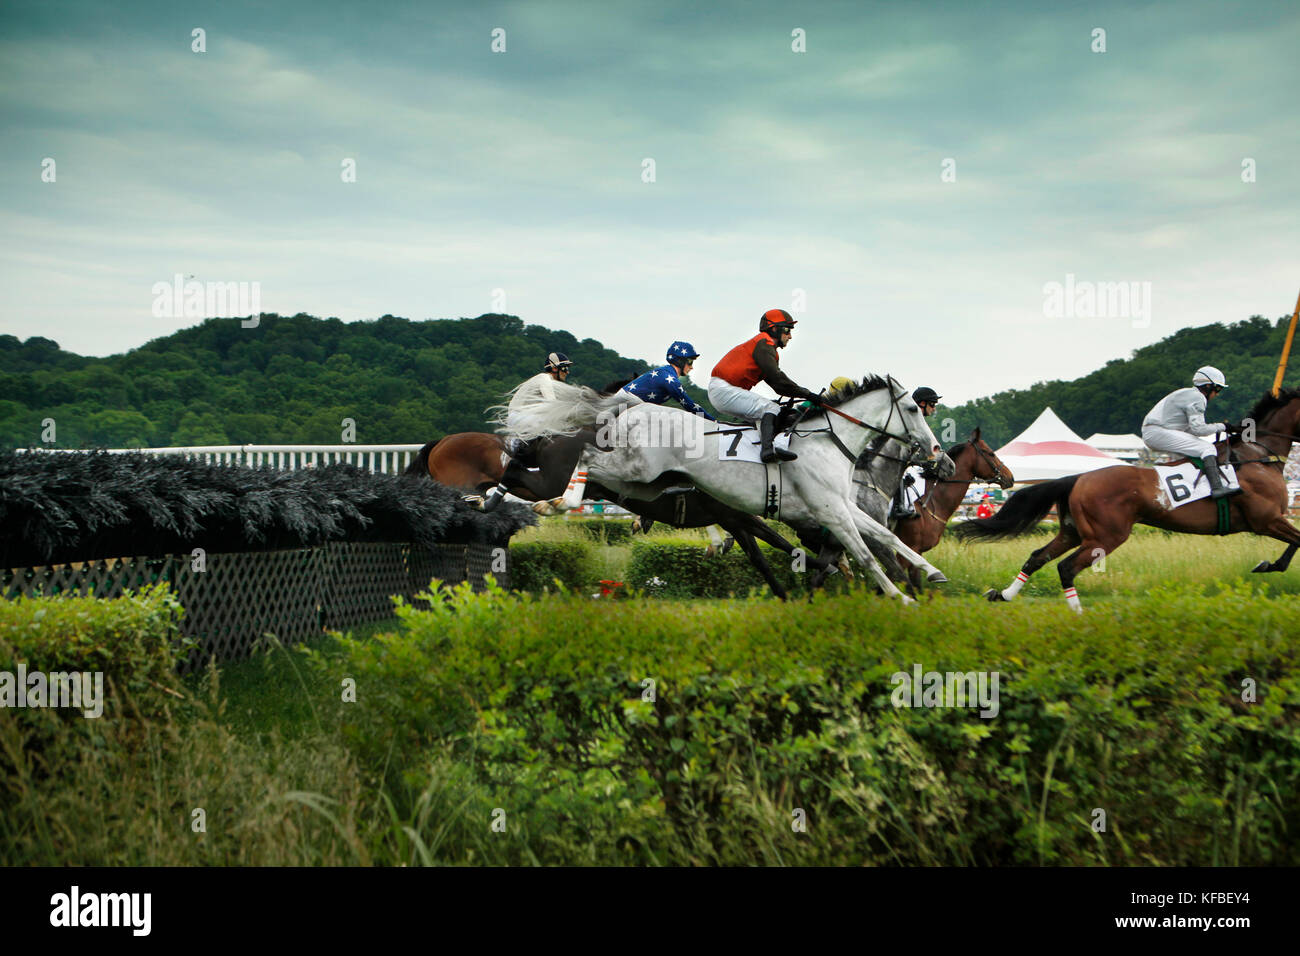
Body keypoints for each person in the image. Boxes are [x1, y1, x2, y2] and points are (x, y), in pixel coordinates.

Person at [709, 309, 820, 463]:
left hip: (724, 390)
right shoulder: (764, 343)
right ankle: (767, 451)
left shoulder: (768, 349)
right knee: (770, 409)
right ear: (774, 329)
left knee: (774, 411)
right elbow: (778, 378)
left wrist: (803, 394)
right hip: (724, 389)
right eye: (787, 330)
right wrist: (808, 394)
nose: (790, 336)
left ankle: (755, 451)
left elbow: (777, 386)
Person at [480, 351, 573, 512]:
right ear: (554, 369)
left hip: (526, 414)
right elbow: (554, 405)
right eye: (565, 368)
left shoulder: (552, 382)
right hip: (520, 415)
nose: (568, 372)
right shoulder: (545, 380)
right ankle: (533, 469)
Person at [1140, 366, 1241, 499]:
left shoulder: (1187, 393)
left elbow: (1192, 431)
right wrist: (1224, 426)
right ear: (1207, 386)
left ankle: (1190, 493)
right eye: (1217, 389)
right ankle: (1217, 488)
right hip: (1158, 432)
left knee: (1189, 459)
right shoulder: (1197, 397)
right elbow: (1198, 429)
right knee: (1207, 448)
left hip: (1156, 431)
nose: (1217, 394)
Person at [622, 342, 716, 420]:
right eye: (690, 362)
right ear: (680, 361)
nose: (692, 367)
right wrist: (713, 421)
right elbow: (690, 405)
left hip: (628, 407)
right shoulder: (670, 380)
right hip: (623, 406)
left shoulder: (666, 373)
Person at [890, 386, 942, 520]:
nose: (934, 408)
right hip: (891, 456)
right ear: (922, 403)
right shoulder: (909, 419)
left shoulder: (919, 422)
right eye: (932, 404)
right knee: (904, 475)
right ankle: (898, 507)